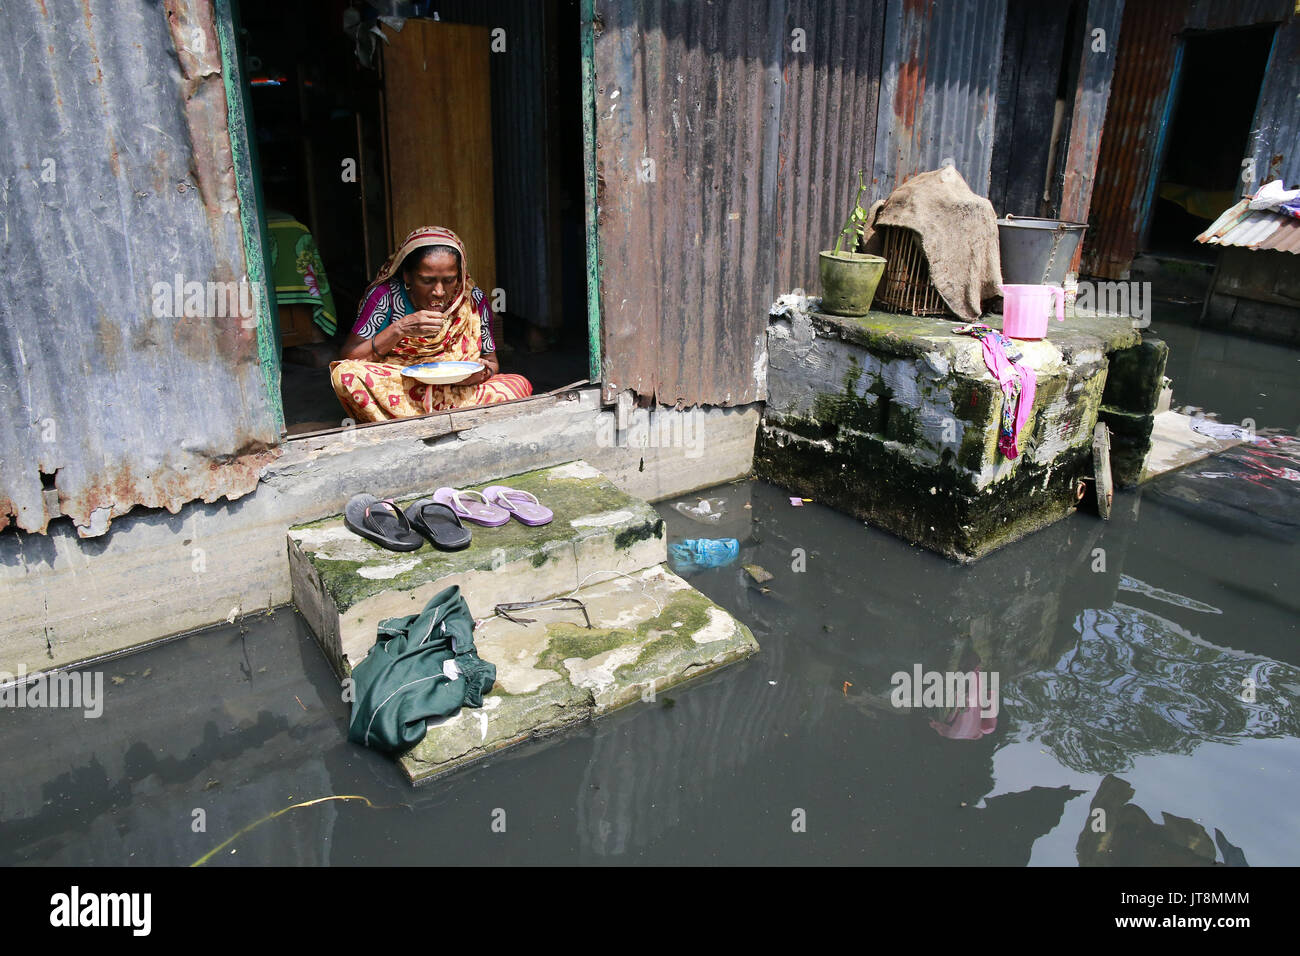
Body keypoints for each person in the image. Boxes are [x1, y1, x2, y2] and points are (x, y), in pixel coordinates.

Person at [330, 226, 532, 420]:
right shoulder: (386, 297)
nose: (439, 291)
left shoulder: (473, 300)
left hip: (460, 389)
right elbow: (350, 357)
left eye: (449, 280)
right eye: (427, 281)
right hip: (401, 387)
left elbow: (493, 363)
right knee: (346, 375)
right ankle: (454, 418)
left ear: (459, 277)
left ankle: (407, 419)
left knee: (518, 384)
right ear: (407, 276)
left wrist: (482, 372)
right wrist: (400, 328)